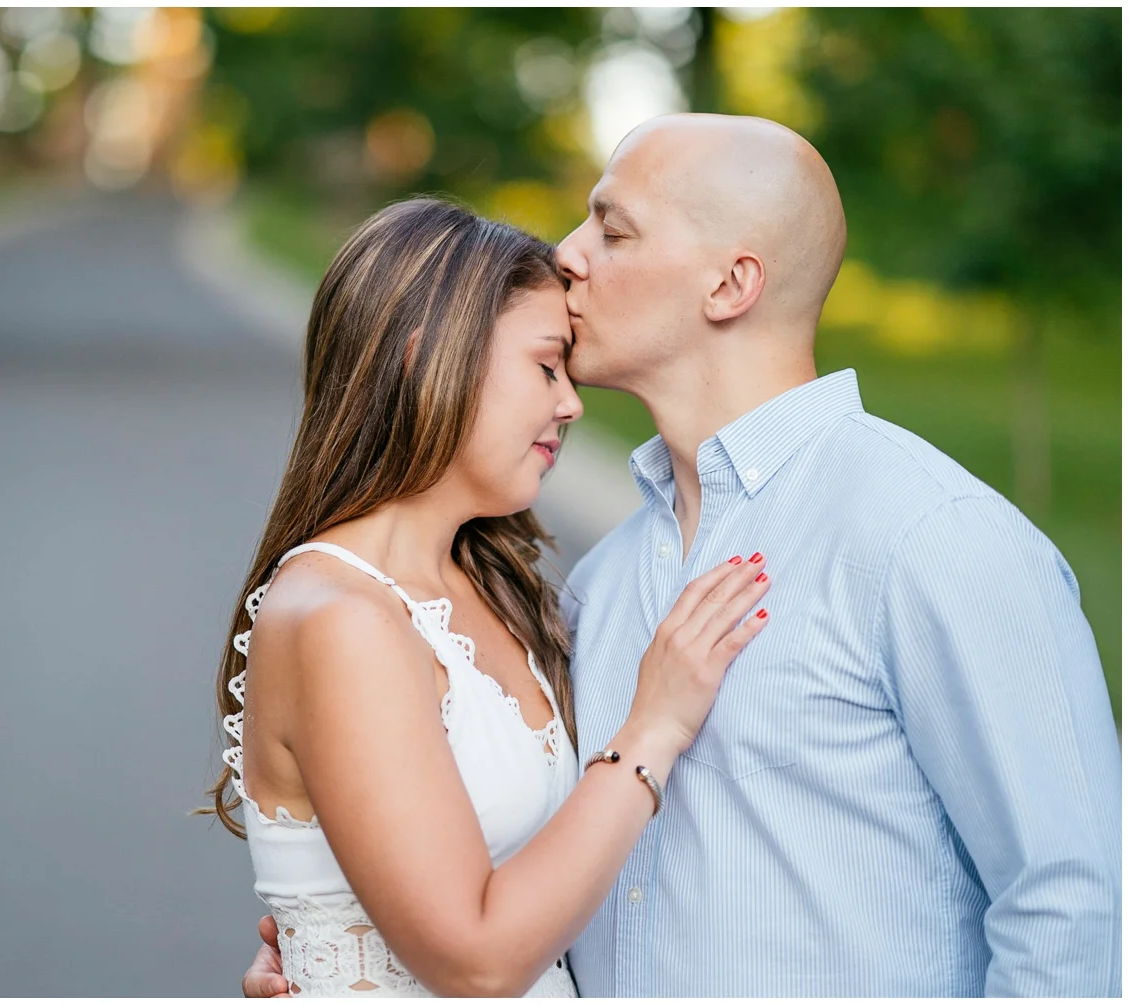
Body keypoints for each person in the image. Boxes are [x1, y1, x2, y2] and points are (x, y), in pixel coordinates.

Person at [242, 114, 1121, 997]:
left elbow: (1076, 908)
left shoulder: (930, 539)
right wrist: (346, 954)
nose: (566, 253)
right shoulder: (600, 585)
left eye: (611, 229)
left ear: (731, 283)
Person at [205, 196, 773, 997]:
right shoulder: (340, 617)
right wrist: (654, 728)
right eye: (545, 366)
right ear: (422, 357)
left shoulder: (492, 589)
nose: (571, 403)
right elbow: (475, 960)